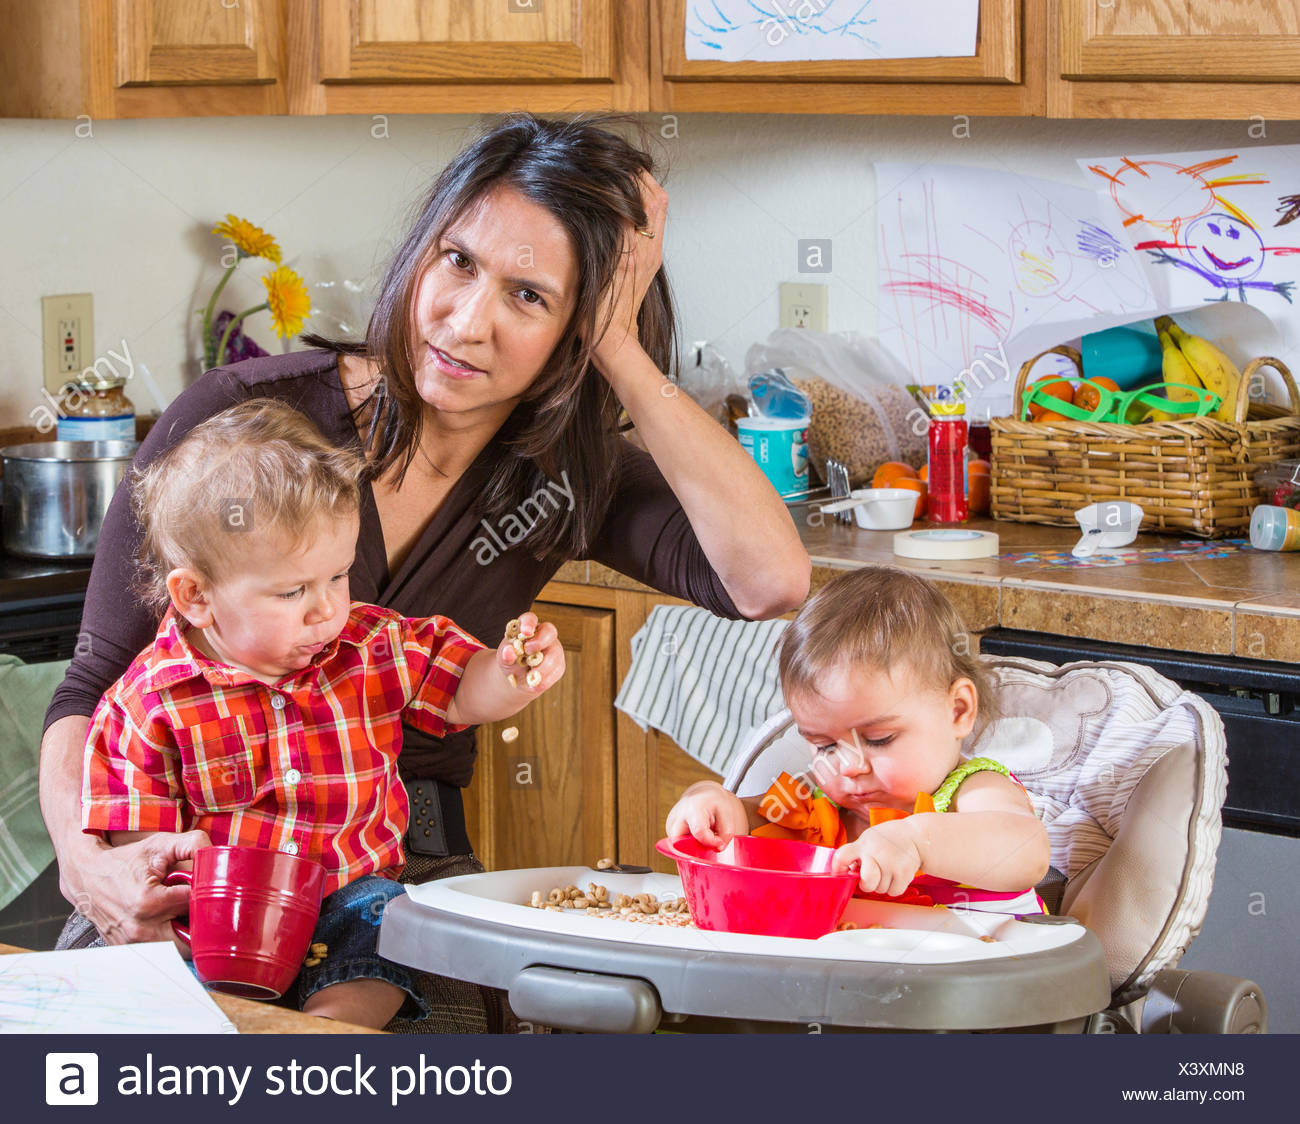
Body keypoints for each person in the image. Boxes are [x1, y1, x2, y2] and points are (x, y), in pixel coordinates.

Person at [40, 112, 810, 1030]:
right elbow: (95, 679)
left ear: (580, 324)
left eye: (531, 296)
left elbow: (772, 582)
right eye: (458, 262)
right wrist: (89, 865)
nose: (467, 320)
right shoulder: (244, 425)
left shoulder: (570, 472)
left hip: (397, 864)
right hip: (180, 860)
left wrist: (623, 349)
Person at [82, 401, 565, 1028]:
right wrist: (170, 874)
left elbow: (460, 691)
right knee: (155, 969)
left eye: (337, 577)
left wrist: (509, 673)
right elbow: (135, 847)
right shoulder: (146, 702)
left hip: (349, 898)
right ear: (196, 595)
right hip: (219, 921)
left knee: (396, 922)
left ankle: (332, 1030)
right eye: (292, 592)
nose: (325, 611)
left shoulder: (370, 646)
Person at [666, 567, 1050, 913]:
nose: (848, 766)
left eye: (878, 739)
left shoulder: (973, 791)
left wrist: (917, 842)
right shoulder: (818, 796)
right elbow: (748, 817)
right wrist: (712, 803)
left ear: (958, 711)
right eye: (825, 746)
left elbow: (1027, 850)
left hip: (991, 979)